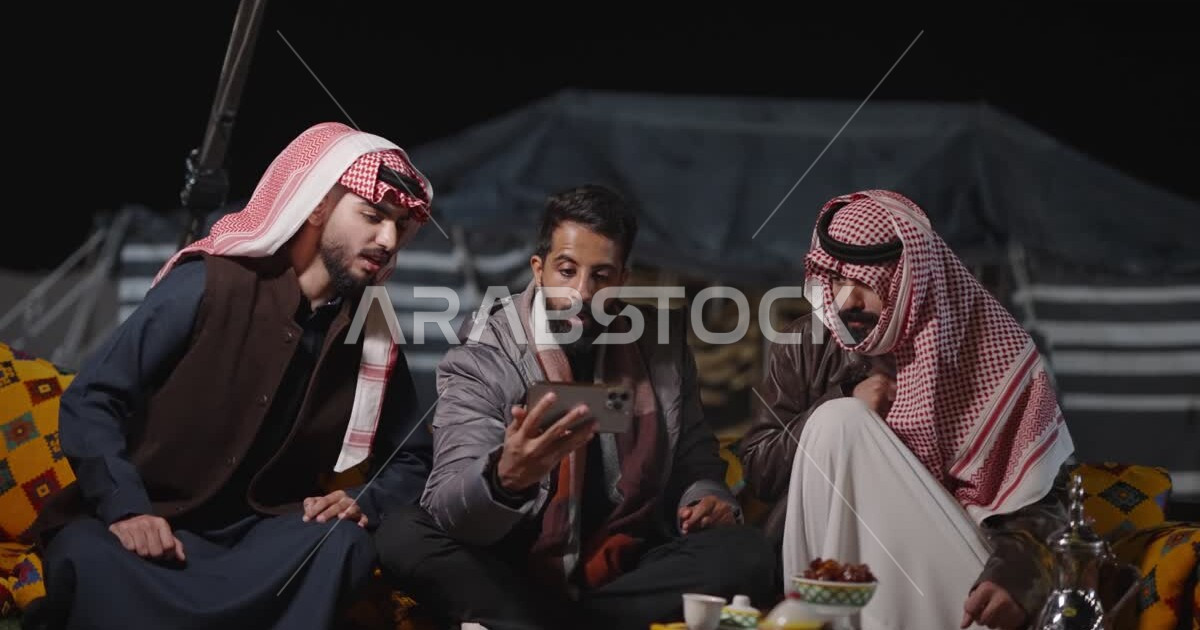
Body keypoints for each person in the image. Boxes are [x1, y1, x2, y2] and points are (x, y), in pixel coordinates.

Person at [28, 122, 436, 630]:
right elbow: (92, 401)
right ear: (317, 206)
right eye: (373, 216)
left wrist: (362, 500)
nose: (388, 240)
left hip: (266, 534)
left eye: (401, 225)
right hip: (155, 518)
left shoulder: (372, 332)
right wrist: (126, 508)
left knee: (339, 544)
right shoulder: (205, 286)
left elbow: (412, 454)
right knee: (89, 554)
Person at [374, 184, 778, 630]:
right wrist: (505, 478)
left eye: (601, 276)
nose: (582, 292)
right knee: (402, 533)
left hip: (626, 564)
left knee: (747, 552)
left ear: (622, 277)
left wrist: (707, 498)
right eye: (567, 271)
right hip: (510, 565)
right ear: (539, 268)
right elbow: (449, 506)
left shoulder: (659, 348)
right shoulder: (486, 350)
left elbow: (694, 461)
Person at [739, 190, 1075, 630]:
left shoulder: (994, 349)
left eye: (867, 283)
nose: (847, 302)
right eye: (838, 281)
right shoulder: (806, 343)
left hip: (955, 566)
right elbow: (761, 474)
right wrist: (843, 400)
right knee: (842, 420)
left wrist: (1016, 578)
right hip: (836, 560)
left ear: (910, 278)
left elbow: (1047, 496)